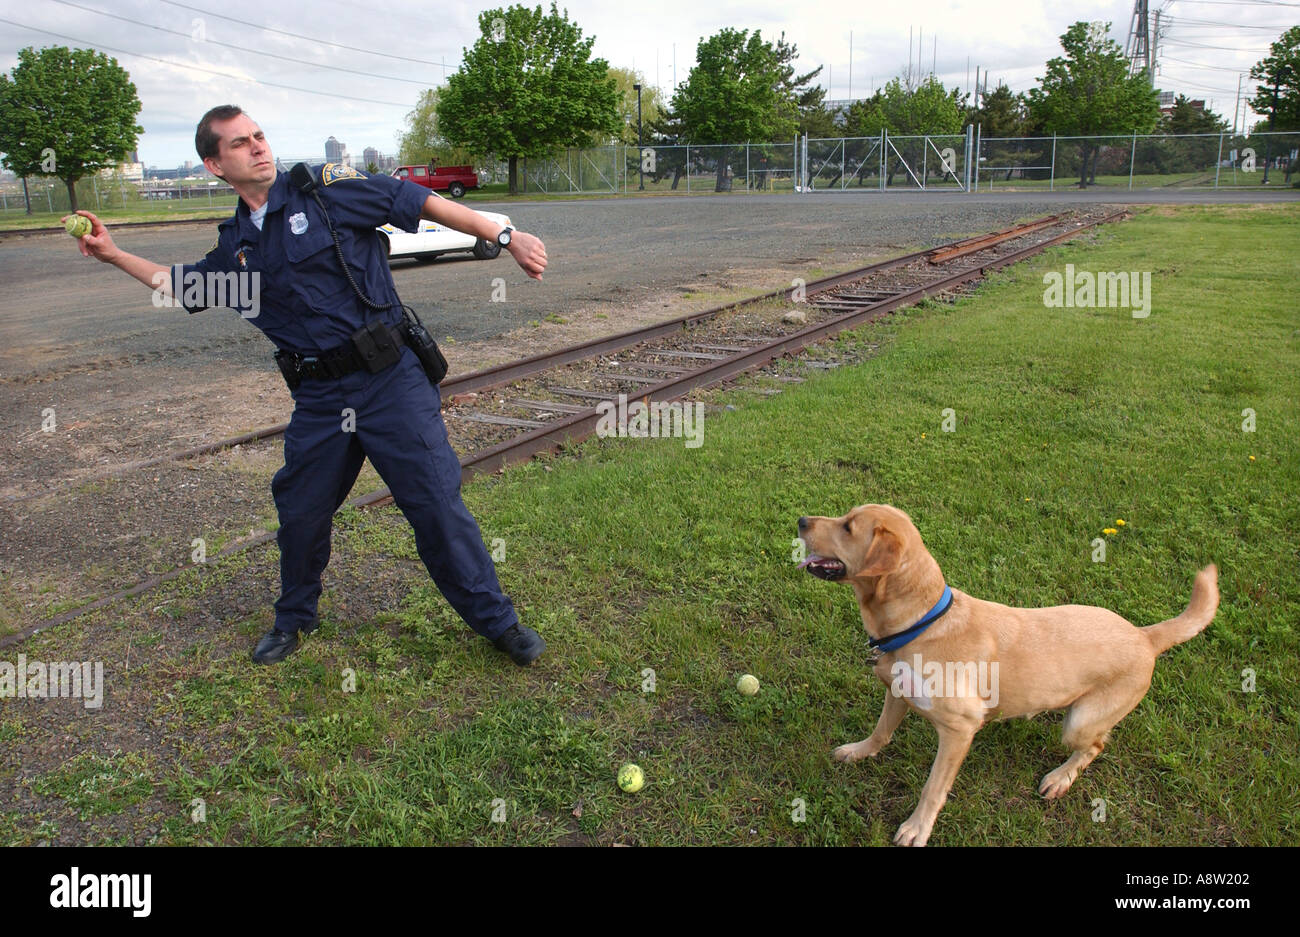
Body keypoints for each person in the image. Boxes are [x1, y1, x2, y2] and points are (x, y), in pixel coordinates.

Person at [65, 105, 548, 666]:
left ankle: (498, 623)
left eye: (260, 136)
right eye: (240, 143)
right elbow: (180, 287)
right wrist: (113, 252)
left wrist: (504, 233)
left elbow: (415, 201)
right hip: (320, 398)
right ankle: (294, 618)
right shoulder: (237, 245)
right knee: (301, 512)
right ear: (215, 165)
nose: (258, 147)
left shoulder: (325, 191)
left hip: (389, 380)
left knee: (436, 506)